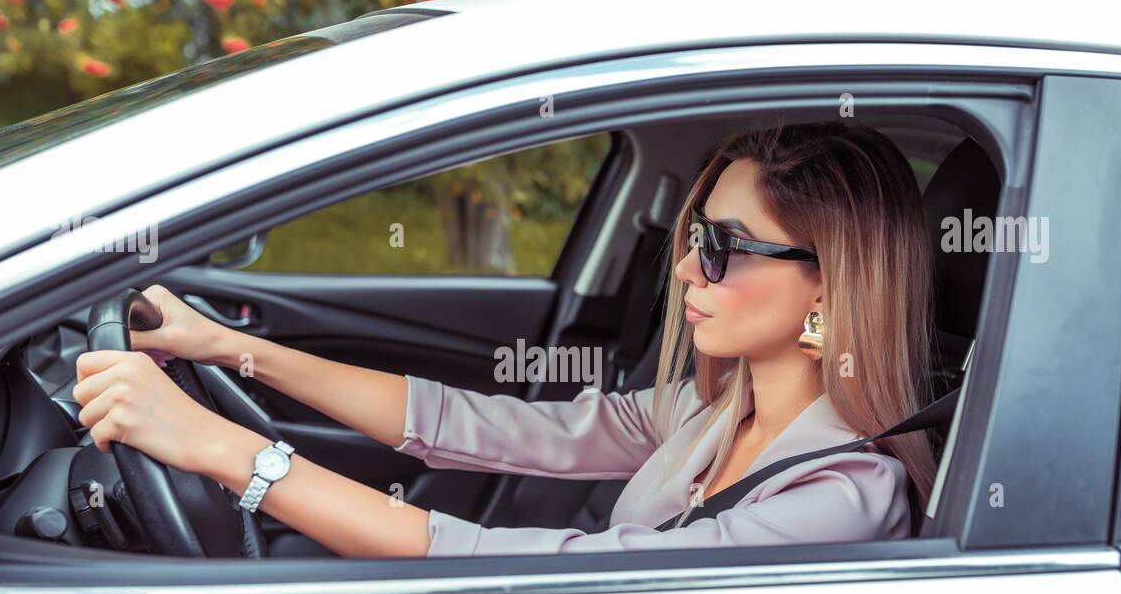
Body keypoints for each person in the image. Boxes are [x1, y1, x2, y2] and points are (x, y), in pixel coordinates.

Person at [72, 121, 938, 558]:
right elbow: (478, 427)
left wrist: (224, 451)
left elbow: (541, 567)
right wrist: (227, 347)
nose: (685, 272)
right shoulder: (706, 409)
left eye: (722, 248)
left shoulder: (843, 496)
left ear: (831, 276)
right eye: (689, 238)